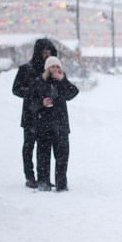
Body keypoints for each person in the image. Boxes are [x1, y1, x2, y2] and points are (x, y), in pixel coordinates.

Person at [24, 56, 79, 191]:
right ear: (47, 69)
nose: (55, 69)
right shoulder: (38, 82)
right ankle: (44, 183)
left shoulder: (62, 82)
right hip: (43, 126)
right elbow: (29, 103)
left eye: (57, 67)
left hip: (61, 126)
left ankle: (61, 184)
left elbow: (73, 93)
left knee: (62, 156)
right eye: (52, 67)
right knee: (43, 156)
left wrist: (63, 80)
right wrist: (41, 103)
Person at [11, 38, 57, 188]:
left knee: (44, 148)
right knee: (29, 146)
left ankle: (43, 177)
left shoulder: (52, 68)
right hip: (31, 113)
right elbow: (17, 89)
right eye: (45, 52)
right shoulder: (26, 68)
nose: (47, 55)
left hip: (47, 115)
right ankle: (30, 177)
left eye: (50, 52)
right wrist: (34, 95)